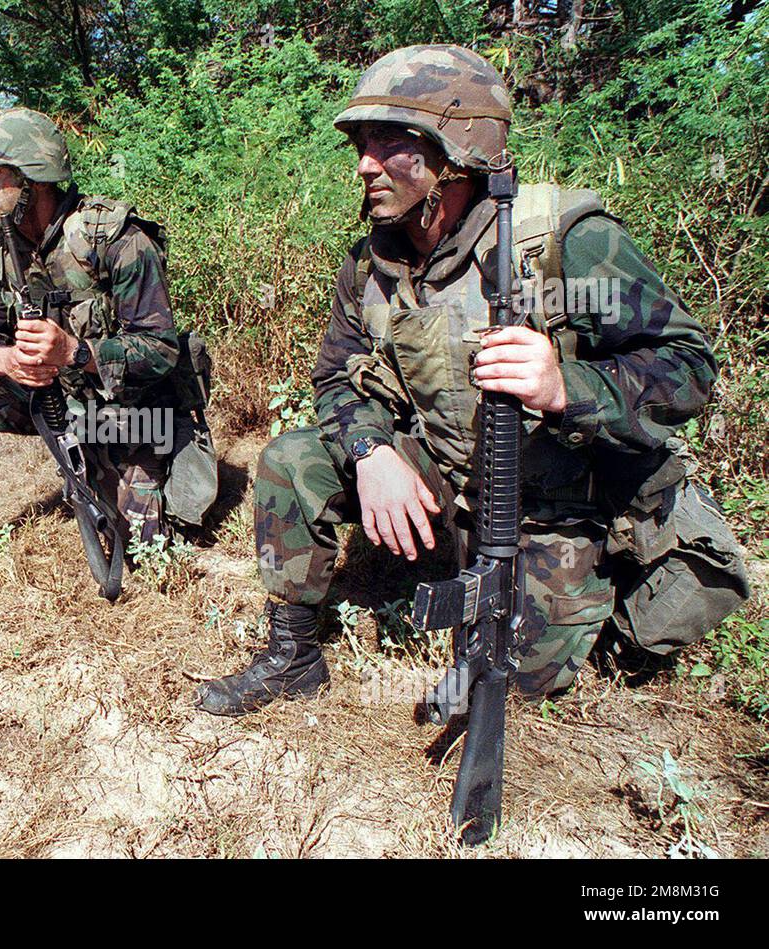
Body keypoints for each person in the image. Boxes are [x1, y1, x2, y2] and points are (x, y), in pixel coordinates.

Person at [195, 44, 750, 716]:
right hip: (452, 479)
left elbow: (688, 364)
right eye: (362, 144)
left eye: (389, 142)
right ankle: (293, 658)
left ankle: (603, 612)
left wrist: (565, 386)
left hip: (558, 503)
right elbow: (336, 380)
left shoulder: (564, 242)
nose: (365, 164)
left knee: (508, 682)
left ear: (456, 149)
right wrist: (371, 454)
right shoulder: (370, 265)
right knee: (292, 459)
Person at [0, 107, 215, 583]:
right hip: (51, 399)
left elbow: (160, 350)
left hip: (129, 410)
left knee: (147, 555)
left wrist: (76, 353)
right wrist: (5, 361)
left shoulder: (115, 239)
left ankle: (157, 465)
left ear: (34, 178)